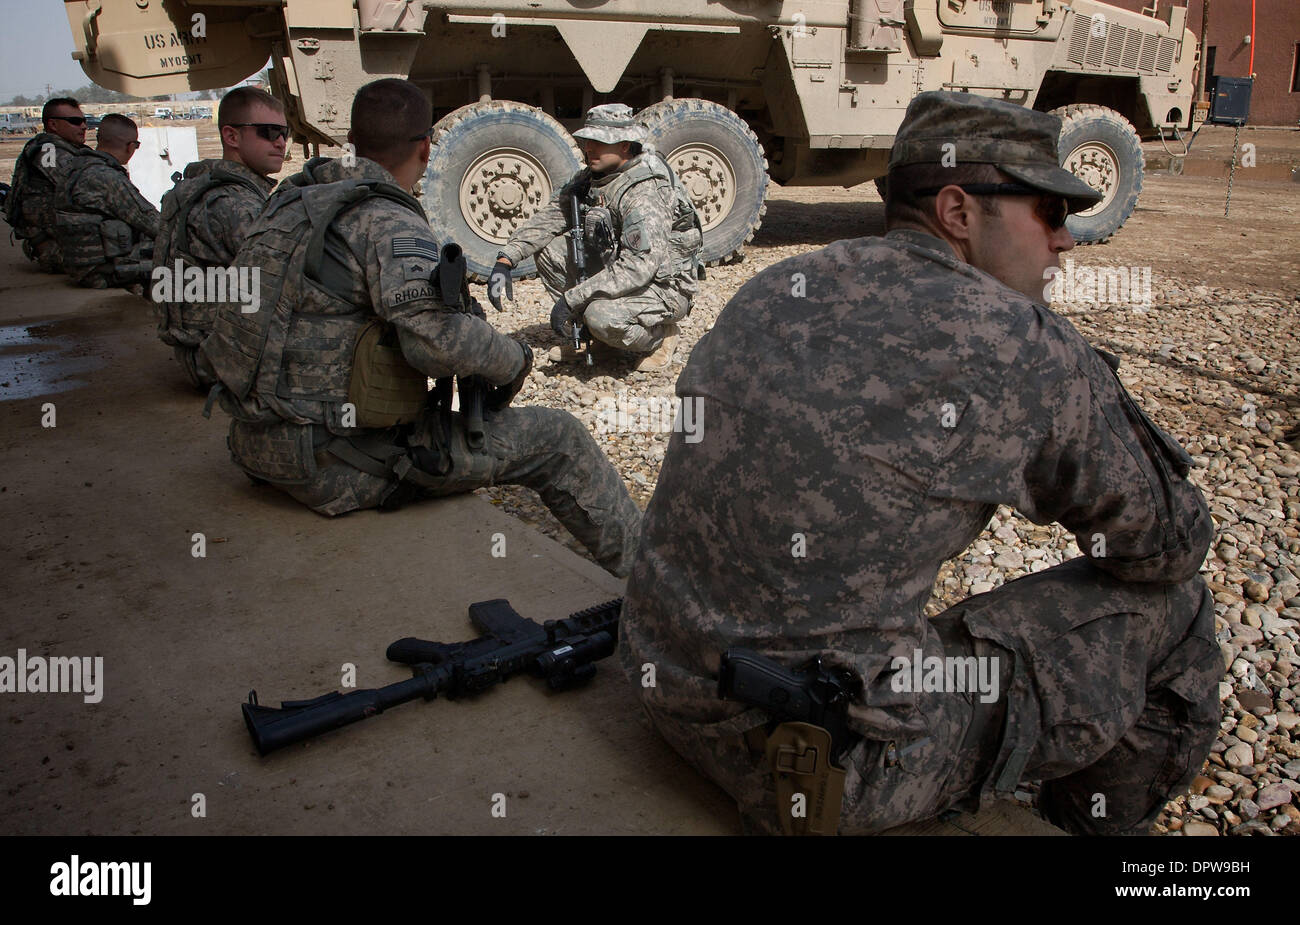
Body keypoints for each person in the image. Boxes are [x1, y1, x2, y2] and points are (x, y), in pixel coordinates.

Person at [618, 91, 1218, 835]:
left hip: (668, 691)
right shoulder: (1018, 342)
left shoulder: (774, 288)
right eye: (1050, 212)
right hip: (823, 767)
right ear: (960, 211)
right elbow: (1167, 544)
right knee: (1182, 611)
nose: (1065, 241)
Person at [199, 79, 641, 576]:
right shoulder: (385, 219)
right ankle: (651, 581)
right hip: (331, 464)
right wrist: (516, 358)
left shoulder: (292, 201)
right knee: (561, 439)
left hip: (254, 443)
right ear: (426, 147)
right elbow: (438, 345)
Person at [487, 103, 702, 371]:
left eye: (599, 143)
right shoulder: (593, 177)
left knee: (601, 316)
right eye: (588, 141)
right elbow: (552, 216)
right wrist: (507, 258)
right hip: (624, 271)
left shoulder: (644, 192)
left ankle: (661, 337)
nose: (589, 149)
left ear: (625, 145)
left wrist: (573, 299)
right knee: (550, 252)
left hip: (664, 286)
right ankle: (603, 342)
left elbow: (638, 267)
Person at [152, 87, 286, 389]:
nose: (280, 142)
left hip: (198, 349)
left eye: (284, 133)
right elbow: (294, 283)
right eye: (268, 132)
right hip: (224, 362)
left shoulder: (197, 186)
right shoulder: (236, 204)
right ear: (232, 136)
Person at [55, 114, 160, 289]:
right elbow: (154, 224)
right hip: (104, 272)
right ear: (130, 146)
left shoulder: (73, 168)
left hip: (79, 266)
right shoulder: (107, 178)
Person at [3, 98, 90, 272]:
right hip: (56, 247)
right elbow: (85, 187)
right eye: (75, 121)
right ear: (53, 125)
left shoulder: (66, 149)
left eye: (84, 120)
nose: (83, 126)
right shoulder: (48, 151)